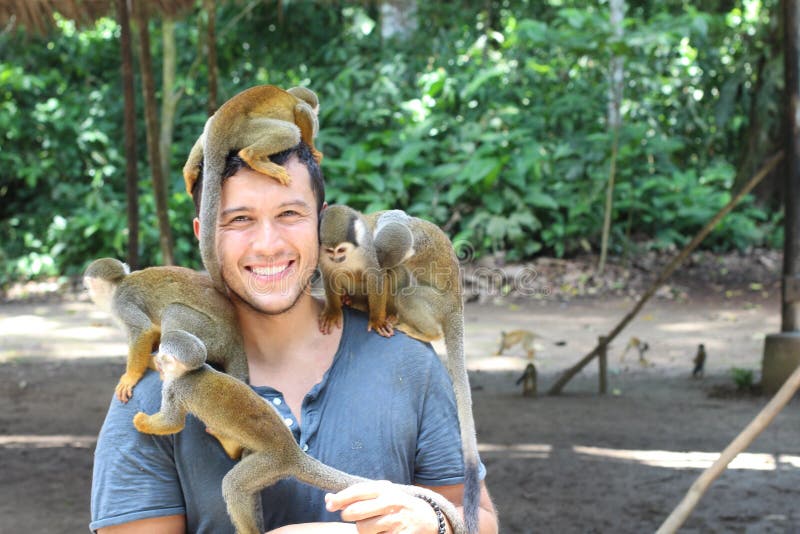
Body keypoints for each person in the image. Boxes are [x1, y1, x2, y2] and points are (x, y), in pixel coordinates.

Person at [90, 89, 499, 534]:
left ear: (321, 222)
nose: (268, 244)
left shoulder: (408, 363)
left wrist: (435, 523)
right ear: (203, 233)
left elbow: (480, 520)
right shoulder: (160, 386)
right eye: (240, 220)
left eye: (289, 213)